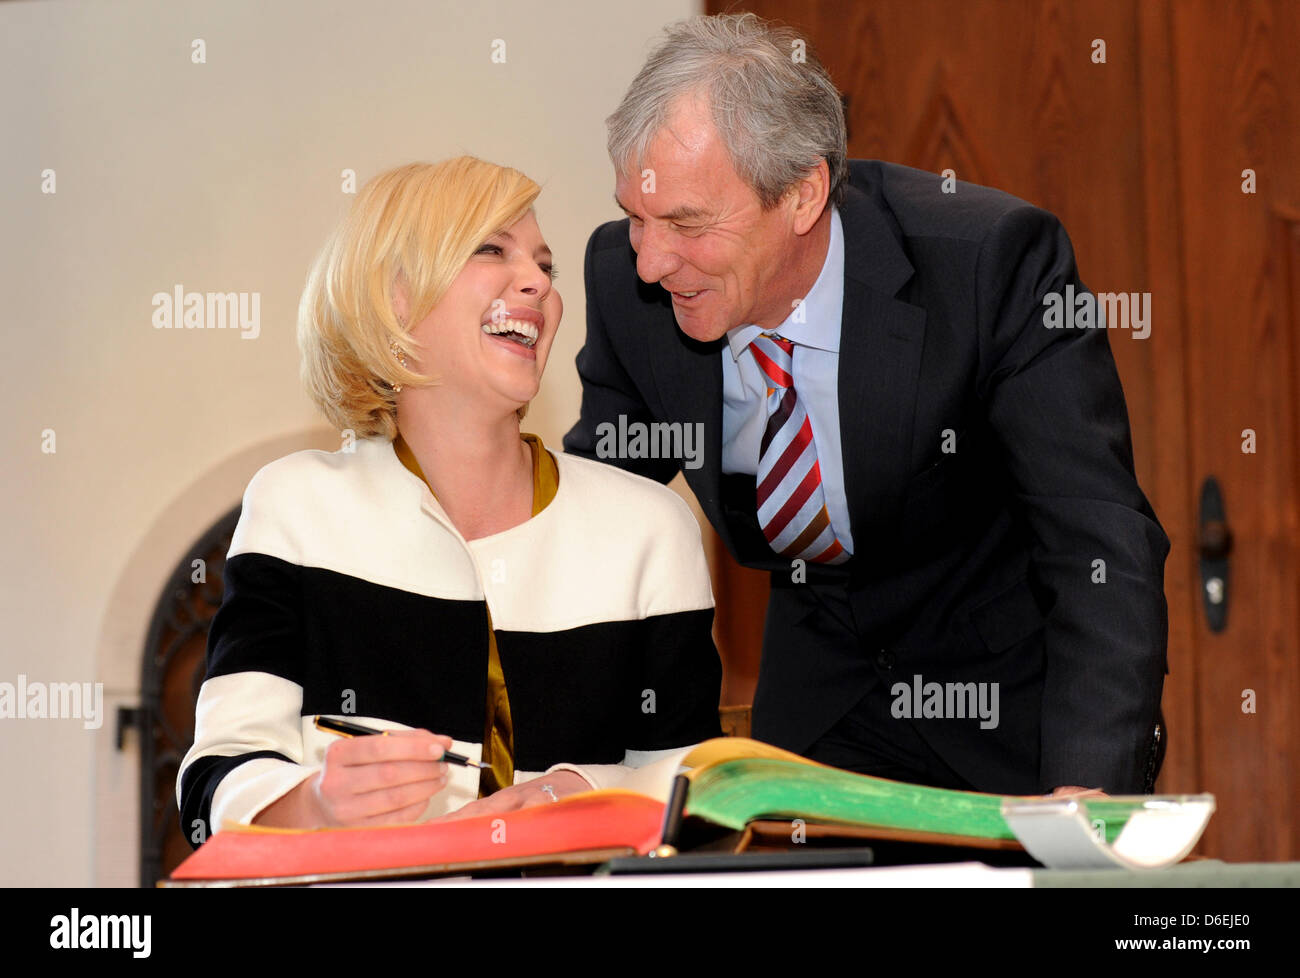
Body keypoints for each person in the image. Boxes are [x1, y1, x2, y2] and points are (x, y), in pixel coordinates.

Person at [564, 14, 1170, 797]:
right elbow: (602, 534)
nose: (651, 261)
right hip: (815, 721)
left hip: (1011, 714)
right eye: (635, 216)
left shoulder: (989, 265)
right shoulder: (627, 286)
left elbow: (1099, 543)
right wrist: (568, 768)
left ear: (804, 194)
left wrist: (1093, 787)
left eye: (686, 223)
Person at [177, 157, 722, 842]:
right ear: (393, 298)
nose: (539, 283)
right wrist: (315, 804)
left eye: (545, 266)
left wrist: (587, 789)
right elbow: (216, 776)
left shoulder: (652, 526)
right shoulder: (296, 506)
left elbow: (704, 789)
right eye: (491, 249)